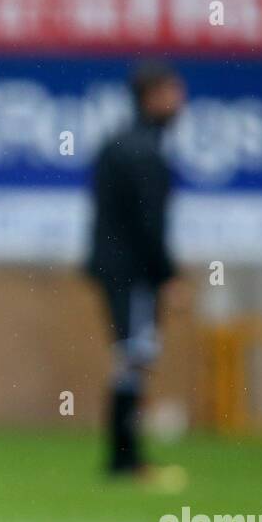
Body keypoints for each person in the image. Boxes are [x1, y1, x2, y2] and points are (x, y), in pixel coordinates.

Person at [85, 61, 187, 492]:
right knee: (135, 355)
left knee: (131, 355)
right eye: (171, 92)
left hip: (113, 267)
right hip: (134, 273)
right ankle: (125, 459)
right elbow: (149, 223)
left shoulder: (117, 144)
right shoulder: (145, 150)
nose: (179, 101)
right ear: (151, 97)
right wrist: (167, 274)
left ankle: (124, 456)